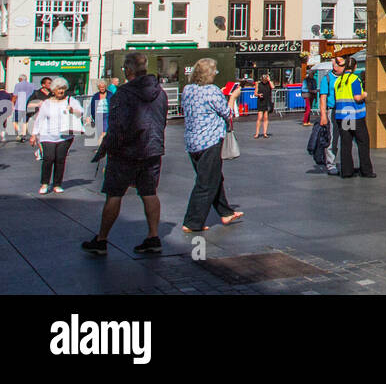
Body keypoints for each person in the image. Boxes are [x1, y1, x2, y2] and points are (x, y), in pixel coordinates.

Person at [82, 52, 168, 255]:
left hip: (126, 152)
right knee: (149, 192)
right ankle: (153, 236)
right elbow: (161, 121)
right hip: (152, 149)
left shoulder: (123, 93)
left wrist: (105, 149)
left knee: (114, 193)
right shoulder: (160, 92)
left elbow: (117, 126)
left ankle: (101, 239)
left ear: (128, 70)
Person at [180, 58, 244, 233]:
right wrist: (232, 97)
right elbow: (228, 113)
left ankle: (225, 212)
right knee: (205, 183)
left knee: (214, 177)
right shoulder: (212, 91)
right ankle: (192, 222)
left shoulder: (187, 90)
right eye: (214, 71)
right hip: (210, 141)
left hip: (192, 141)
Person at [28, 77, 84, 194]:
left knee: (60, 159)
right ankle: (45, 184)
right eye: (59, 89)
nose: (61, 91)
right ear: (53, 90)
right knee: (48, 159)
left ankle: (57, 184)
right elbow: (40, 119)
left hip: (65, 136)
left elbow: (81, 112)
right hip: (47, 135)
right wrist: (34, 134)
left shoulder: (70, 100)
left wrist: (72, 110)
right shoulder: (46, 103)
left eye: (63, 89)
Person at [328, 57, 374, 178]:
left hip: (343, 115)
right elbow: (357, 97)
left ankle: (347, 171)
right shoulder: (354, 79)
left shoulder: (338, 81)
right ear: (354, 67)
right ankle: (366, 170)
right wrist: (365, 94)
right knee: (363, 142)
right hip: (355, 115)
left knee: (346, 143)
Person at [12, 74, 36, 139]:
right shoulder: (32, 85)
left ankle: (19, 133)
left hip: (19, 105)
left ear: (20, 79)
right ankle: (23, 134)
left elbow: (15, 96)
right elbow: (35, 95)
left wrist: (12, 104)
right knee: (25, 121)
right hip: (29, 105)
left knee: (15, 120)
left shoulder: (18, 85)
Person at [254, 72, 275, 138]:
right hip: (261, 101)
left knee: (266, 117)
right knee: (259, 117)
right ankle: (257, 133)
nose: (264, 81)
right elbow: (255, 93)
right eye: (264, 79)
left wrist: (269, 80)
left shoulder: (269, 83)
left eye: (265, 79)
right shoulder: (258, 84)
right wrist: (258, 95)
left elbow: (273, 87)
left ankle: (265, 133)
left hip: (267, 101)